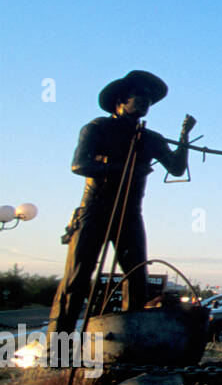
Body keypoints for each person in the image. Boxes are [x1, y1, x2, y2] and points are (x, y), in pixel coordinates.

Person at [48, 71, 194, 334]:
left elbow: (176, 169)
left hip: (130, 214)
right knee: (77, 279)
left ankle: (130, 340)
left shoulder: (150, 138)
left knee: (137, 277)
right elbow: (79, 165)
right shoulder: (97, 128)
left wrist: (184, 138)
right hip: (94, 210)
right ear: (120, 101)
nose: (146, 101)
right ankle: (58, 347)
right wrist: (124, 170)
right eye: (139, 96)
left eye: (149, 98)